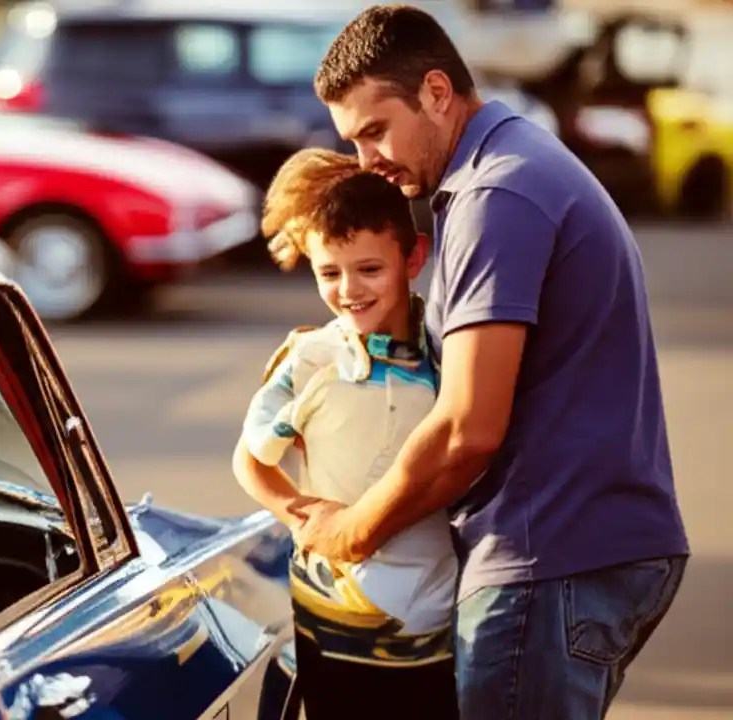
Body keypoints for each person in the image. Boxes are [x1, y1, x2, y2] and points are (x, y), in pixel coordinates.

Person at [279, 5, 689, 719]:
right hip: (583, 553)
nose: (366, 159)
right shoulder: (515, 165)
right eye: (351, 139)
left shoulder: (494, 194)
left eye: (376, 130)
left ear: (437, 93)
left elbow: (468, 427)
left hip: (547, 558)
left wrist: (354, 529)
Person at [233, 148, 457, 720]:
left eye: (369, 269)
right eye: (329, 273)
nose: (349, 289)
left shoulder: (450, 356)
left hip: (435, 628)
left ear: (414, 257)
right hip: (328, 623)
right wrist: (302, 515)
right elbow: (251, 460)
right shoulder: (310, 357)